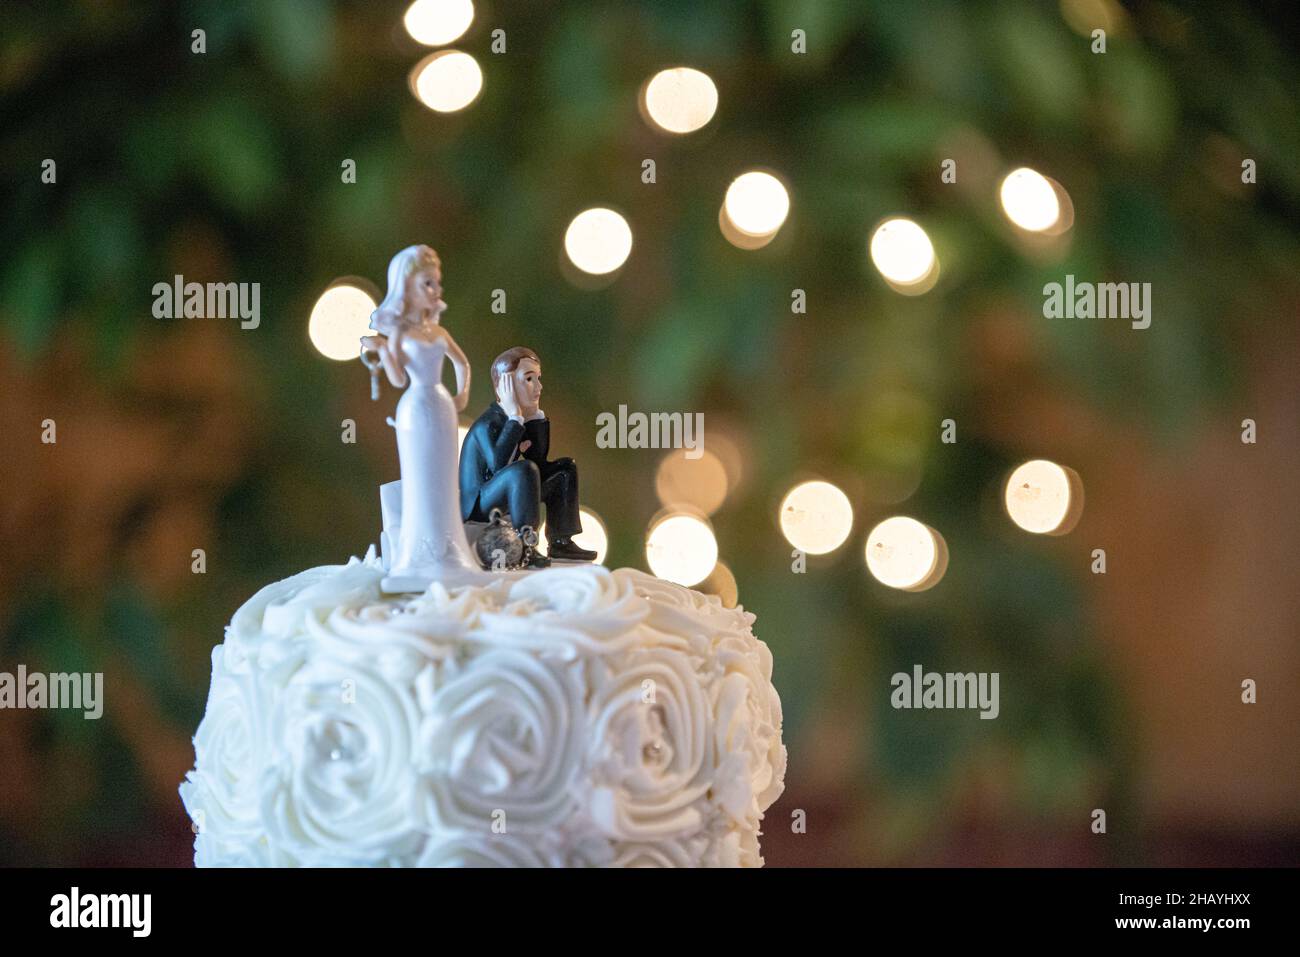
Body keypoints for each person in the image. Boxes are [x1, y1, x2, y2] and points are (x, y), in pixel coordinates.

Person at [361, 245, 483, 588]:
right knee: (421, 476)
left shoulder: (439, 333)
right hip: (415, 408)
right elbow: (398, 379)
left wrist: (462, 395)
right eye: (427, 283)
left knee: (444, 475)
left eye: (437, 283)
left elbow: (462, 363)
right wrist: (383, 349)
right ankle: (419, 555)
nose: (435, 290)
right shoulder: (402, 334)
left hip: (442, 405)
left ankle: (451, 551)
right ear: (406, 288)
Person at [459, 347, 597, 568]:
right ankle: (525, 543)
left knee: (564, 469)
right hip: (480, 500)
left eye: (538, 379)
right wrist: (515, 419)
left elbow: (538, 459)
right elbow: (498, 466)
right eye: (529, 379)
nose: (539, 387)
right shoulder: (488, 424)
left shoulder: (521, 417)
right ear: (506, 385)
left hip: (512, 488)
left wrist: (534, 416)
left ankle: (561, 540)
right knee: (524, 469)